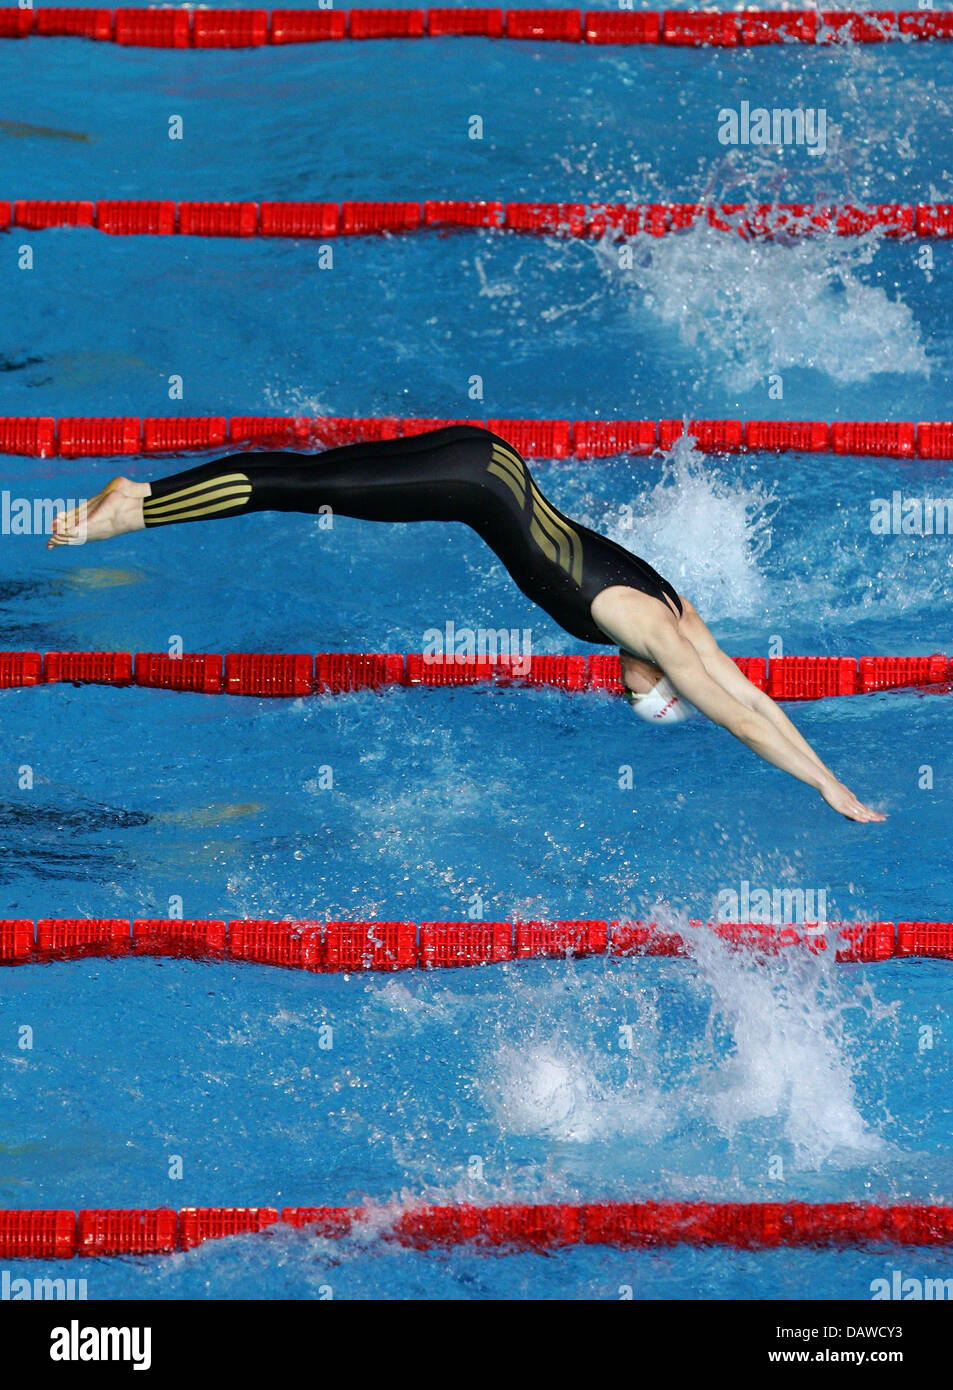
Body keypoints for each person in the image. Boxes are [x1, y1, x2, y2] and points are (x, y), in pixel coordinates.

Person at [48, 423, 884, 823]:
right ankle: (137, 507)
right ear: (657, 678)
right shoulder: (655, 635)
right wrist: (821, 787)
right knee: (295, 490)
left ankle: (145, 501)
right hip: (468, 488)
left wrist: (825, 770)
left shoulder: (681, 615)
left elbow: (751, 694)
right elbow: (736, 712)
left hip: (486, 464)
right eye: (636, 695)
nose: (619, 685)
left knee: (307, 479)